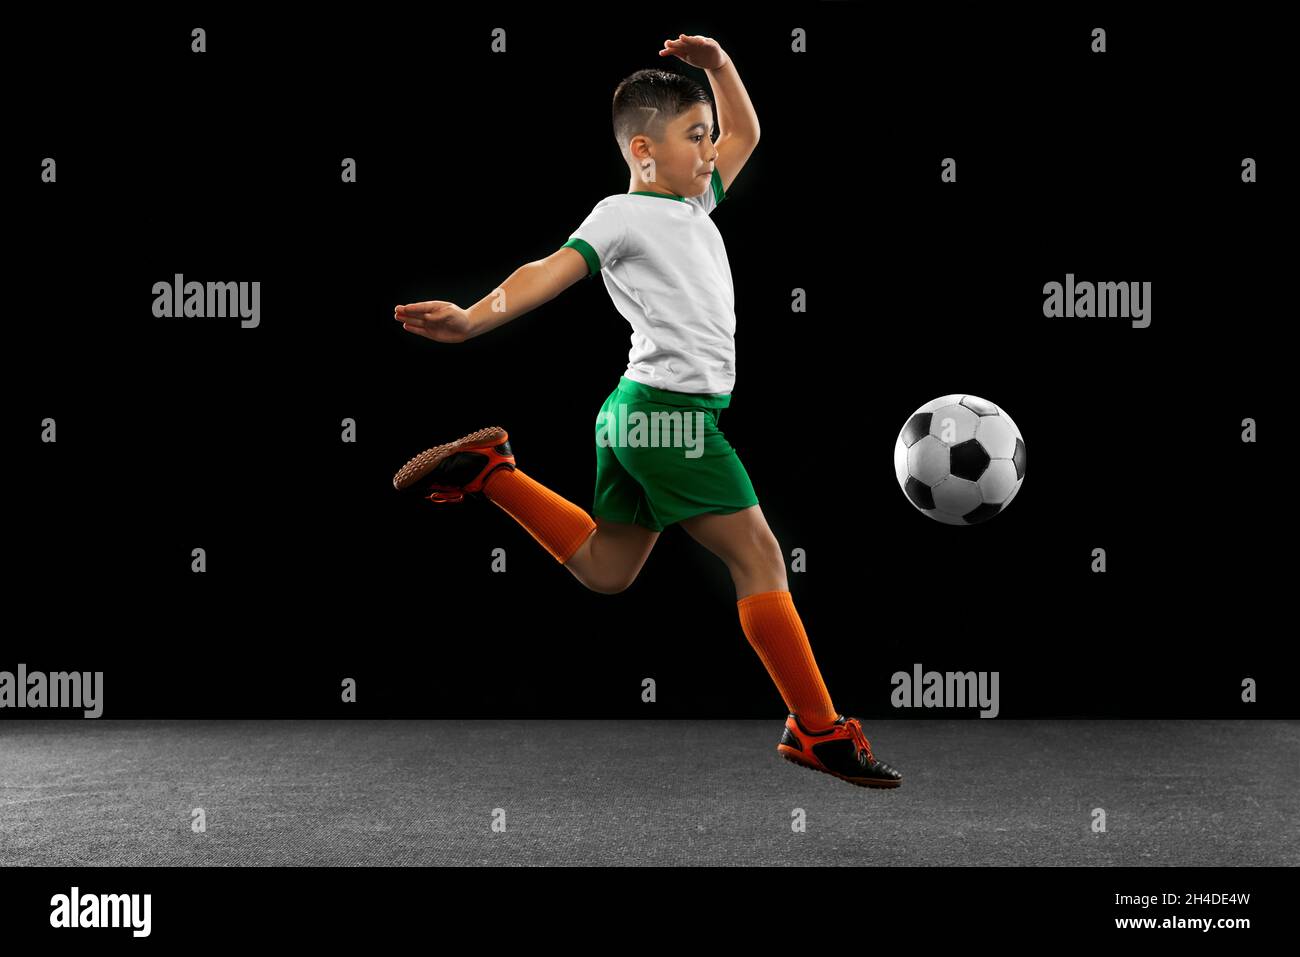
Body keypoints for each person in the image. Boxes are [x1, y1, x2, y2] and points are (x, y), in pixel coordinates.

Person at [392, 34, 901, 789]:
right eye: (695, 136)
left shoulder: (695, 199)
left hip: (631, 416)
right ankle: (818, 730)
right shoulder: (622, 215)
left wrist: (719, 67)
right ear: (642, 149)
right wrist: (472, 317)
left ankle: (493, 473)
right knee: (759, 558)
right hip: (669, 418)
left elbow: (749, 133)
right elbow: (547, 270)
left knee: (606, 569)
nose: (711, 148)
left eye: (708, 135)